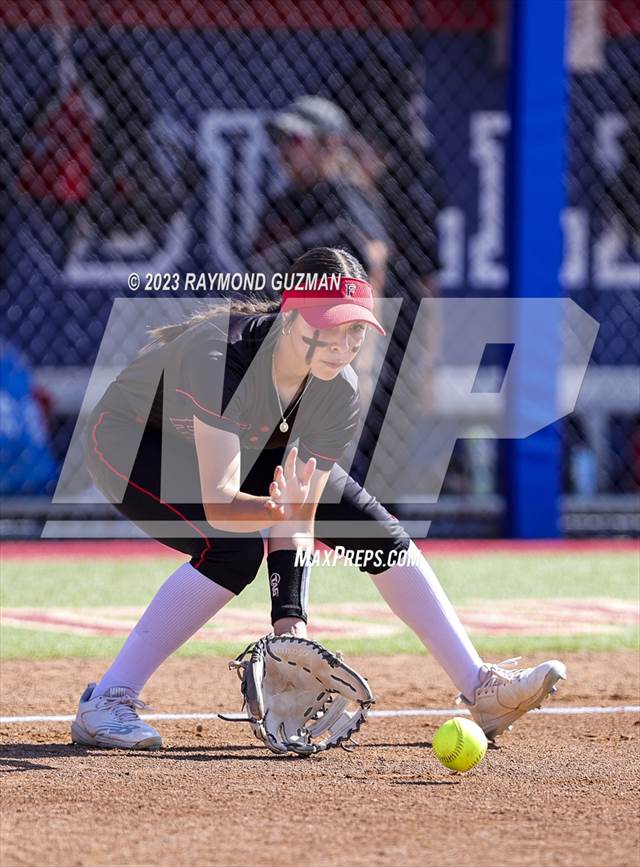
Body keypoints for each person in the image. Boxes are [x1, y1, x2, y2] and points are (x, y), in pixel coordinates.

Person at [72, 246, 565, 751]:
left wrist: (293, 629)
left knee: (374, 533)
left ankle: (480, 686)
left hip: (246, 443)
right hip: (133, 444)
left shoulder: (337, 390)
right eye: (326, 325)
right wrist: (273, 510)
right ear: (289, 315)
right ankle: (107, 700)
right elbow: (223, 503)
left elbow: (298, 514)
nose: (341, 343)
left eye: (355, 329)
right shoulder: (220, 358)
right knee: (231, 548)